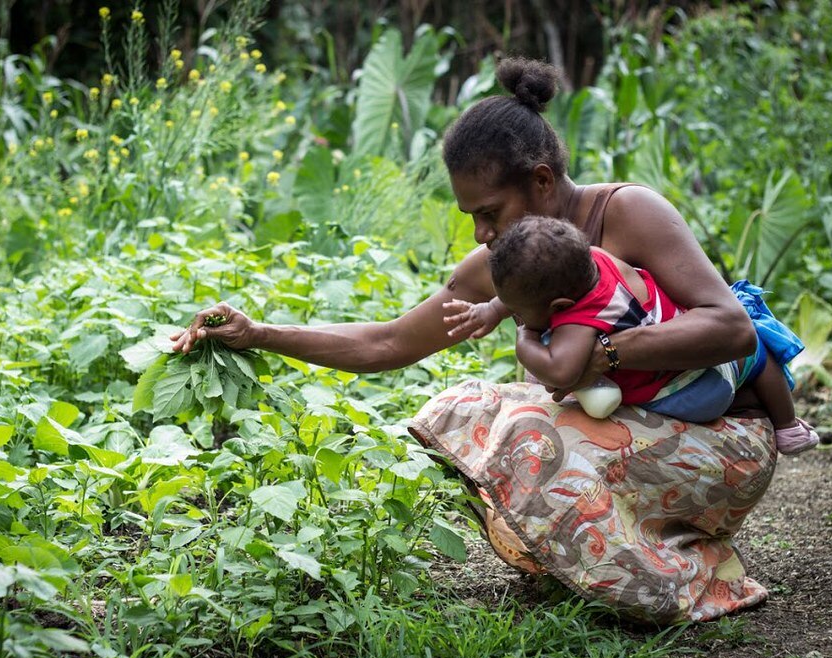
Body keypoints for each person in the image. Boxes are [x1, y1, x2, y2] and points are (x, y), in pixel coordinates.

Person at [172, 56, 782, 623]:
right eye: (472, 217)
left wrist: (602, 354)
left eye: (490, 212)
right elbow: (387, 344)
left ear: (541, 180)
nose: (481, 233)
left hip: (720, 441)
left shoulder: (627, 213)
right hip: (625, 435)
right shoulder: (503, 264)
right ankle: (597, 566)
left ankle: (688, 567)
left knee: (528, 426)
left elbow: (732, 328)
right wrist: (259, 333)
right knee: (461, 410)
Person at [453, 214, 817, 455]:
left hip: (686, 395)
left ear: (561, 305)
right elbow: (529, 289)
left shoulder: (581, 322)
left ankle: (773, 419)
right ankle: (786, 422)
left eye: (517, 310)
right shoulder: (593, 260)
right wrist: (493, 309)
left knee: (754, 344)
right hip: (688, 363)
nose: (516, 315)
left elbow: (560, 371)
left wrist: (525, 339)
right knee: (760, 351)